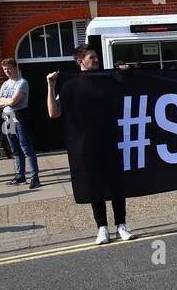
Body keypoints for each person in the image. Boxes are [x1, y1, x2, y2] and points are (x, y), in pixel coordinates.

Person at [47, 44, 132, 243]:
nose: (96, 60)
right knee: (95, 186)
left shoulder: (107, 80)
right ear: (80, 62)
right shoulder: (70, 85)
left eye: (96, 57)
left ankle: (121, 224)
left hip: (111, 140)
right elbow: (54, 112)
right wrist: (50, 86)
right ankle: (102, 227)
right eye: (91, 57)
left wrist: (126, 75)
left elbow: (130, 94)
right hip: (86, 144)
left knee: (116, 185)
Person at [0, 57, 40, 189]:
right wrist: (6, 101)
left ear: (15, 67)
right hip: (7, 116)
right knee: (14, 148)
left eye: (9, 68)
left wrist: (4, 100)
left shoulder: (22, 82)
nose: (6, 71)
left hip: (20, 116)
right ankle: (20, 176)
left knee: (25, 147)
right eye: (4, 69)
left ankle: (35, 177)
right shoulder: (5, 84)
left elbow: (14, 102)